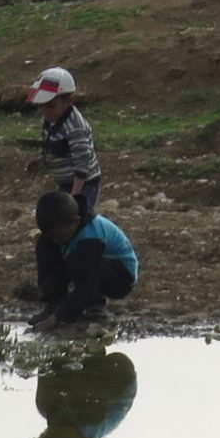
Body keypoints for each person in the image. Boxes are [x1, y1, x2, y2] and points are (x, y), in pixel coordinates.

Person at [31, 192, 137, 333]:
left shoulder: (90, 237)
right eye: (53, 235)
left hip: (120, 278)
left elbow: (87, 285)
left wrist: (57, 319)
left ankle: (95, 307)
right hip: (85, 264)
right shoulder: (61, 232)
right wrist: (46, 293)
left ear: (76, 221)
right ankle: (54, 304)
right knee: (45, 243)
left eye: (59, 236)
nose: (56, 240)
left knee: (79, 259)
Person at [28, 66, 103, 221]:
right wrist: (41, 160)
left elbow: (82, 165)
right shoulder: (49, 121)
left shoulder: (76, 128)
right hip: (65, 182)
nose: (45, 111)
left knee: (79, 220)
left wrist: (74, 196)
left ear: (69, 101)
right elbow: (48, 144)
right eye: (41, 106)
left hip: (84, 183)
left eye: (51, 106)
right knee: (64, 220)